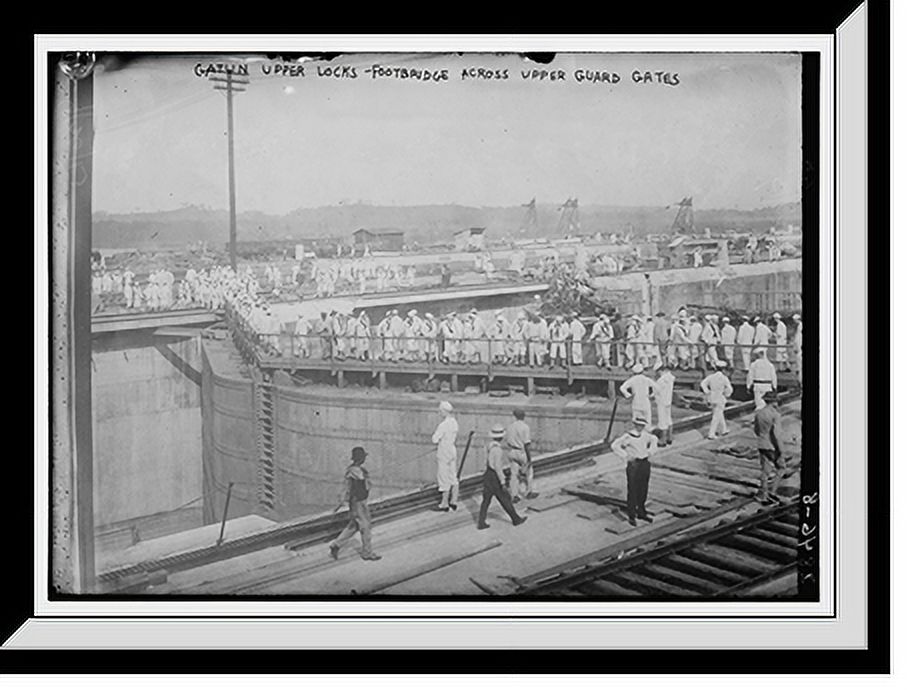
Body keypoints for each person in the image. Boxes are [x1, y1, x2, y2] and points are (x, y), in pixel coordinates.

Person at [328, 446, 382, 561]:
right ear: (360, 458)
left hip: (359, 502)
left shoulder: (356, 469)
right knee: (365, 527)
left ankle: (336, 545)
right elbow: (362, 481)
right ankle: (367, 553)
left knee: (354, 526)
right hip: (358, 503)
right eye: (363, 457)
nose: (364, 459)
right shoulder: (355, 471)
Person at [611, 415, 659, 526]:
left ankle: (641, 511)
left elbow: (654, 440)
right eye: (638, 425)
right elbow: (615, 445)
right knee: (632, 490)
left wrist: (650, 452)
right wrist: (625, 455)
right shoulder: (628, 436)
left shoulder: (646, 435)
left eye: (642, 425)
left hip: (644, 463)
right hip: (634, 465)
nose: (640, 427)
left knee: (643, 488)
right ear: (635, 424)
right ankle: (632, 515)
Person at [477, 425, 527, 530]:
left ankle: (481, 522)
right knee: (505, 499)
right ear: (501, 437)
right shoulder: (498, 450)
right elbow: (498, 467)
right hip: (494, 477)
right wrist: (502, 481)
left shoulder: (488, 446)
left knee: (486, 501)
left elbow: (485, 461)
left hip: (487, 475)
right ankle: (516, 519)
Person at [753, 391, 789, 504]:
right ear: (774, 402)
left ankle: (763, 494)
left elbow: (756, 430)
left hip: (761, 443)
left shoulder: (758, 413)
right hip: (772, 445)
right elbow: (776, 435)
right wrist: (781, 450)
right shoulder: (775, 415)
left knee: (765, 470)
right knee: (781, 468)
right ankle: (772, 492)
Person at [431, 401, 459, 512]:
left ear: (444, 411)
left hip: (443, 451)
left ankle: (444, 503)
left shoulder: (443, 425)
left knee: (443, 476)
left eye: (440, 411)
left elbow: (434, 439)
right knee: (453, 475)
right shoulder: (454, 422)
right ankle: (454, 501)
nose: (439, 413)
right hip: (452, 450)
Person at [505, 408, 537, 502]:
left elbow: (507, 442)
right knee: (529, 472)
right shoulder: (525, 427)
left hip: (512, 451)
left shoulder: (510, 427)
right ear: (523, 416)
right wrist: (529, 459)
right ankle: (529, 491)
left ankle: (514, 495)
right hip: (521, 451)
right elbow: (527, 444)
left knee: (514, 474)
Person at [700, 361, 733, 439]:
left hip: (711, 397)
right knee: (716, 416)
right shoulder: (724, 378)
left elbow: (703, 383)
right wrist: (726, 394)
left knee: (719, 413)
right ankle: (711, 434)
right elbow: (730, 389)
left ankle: (724, 429)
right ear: (723, 369)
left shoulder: (711, 377)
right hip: (720, 397)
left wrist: (707, 391)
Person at [653, 365, 676, 446]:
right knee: (668, 419)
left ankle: (663, 440)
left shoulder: (661, 380)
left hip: (661, 401)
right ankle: (670, 437)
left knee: (662, 421)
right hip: (668, 400)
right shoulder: (671, 378)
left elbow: (655, 390)